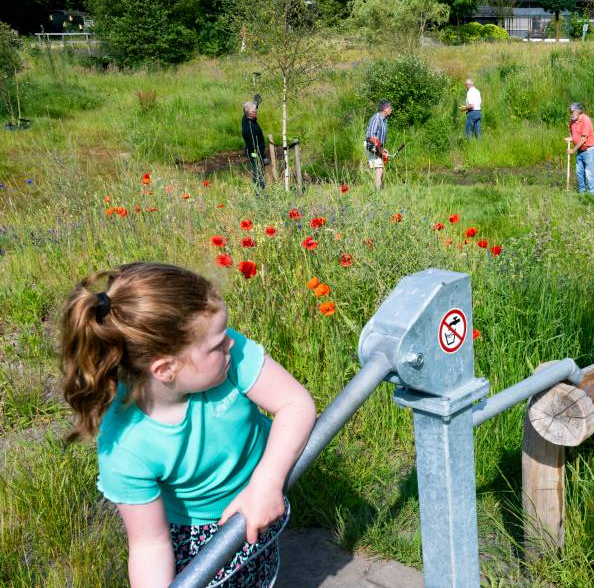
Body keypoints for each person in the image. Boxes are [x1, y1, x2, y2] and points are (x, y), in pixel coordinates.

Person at [60, 263, 317, 587]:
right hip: (204, 535)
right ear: (166, 369)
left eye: (225, 334)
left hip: (264, 490)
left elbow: (295, 403)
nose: (232, 345)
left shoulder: (223, 357)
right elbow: (149, 545)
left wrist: (266, 482)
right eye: (216, 344)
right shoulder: (128, 448)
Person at [565, 102, 594, 194]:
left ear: (578, 111)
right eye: (569, 112)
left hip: (588, 150)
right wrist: (571, 138)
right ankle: (582, 192)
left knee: (588, 173)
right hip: (579, 150)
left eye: (572, 112)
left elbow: (583, 138)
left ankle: (591, 194)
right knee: (579, 172)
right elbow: (571, 132)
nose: (570, 114)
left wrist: (573, 150)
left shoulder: (586, 120)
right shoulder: (572, 120)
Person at [364, 100, 392, 191]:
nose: (391, 109)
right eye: (390, 108)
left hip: (377, 146)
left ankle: (381, 191)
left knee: (381, 169)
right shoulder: (376, 118)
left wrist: (383, 149)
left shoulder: (385, 120)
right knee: (379, 168)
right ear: (385, 109)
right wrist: (380, 150)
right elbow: (372, 136)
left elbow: (380, 139)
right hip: (370, 145)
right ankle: (377, 193)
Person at [241, 101, 269, 189]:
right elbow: (254, 146)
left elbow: (249, 108)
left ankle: (260, 192)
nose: (256, 113)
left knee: (259, 173)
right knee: (258, 174)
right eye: (255, 112)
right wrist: (263, 157)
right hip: (254, 154)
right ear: (249, 113)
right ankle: (260, 194)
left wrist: (256, 103)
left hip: (254, 153)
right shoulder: (250, 128)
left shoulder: (245, 118)